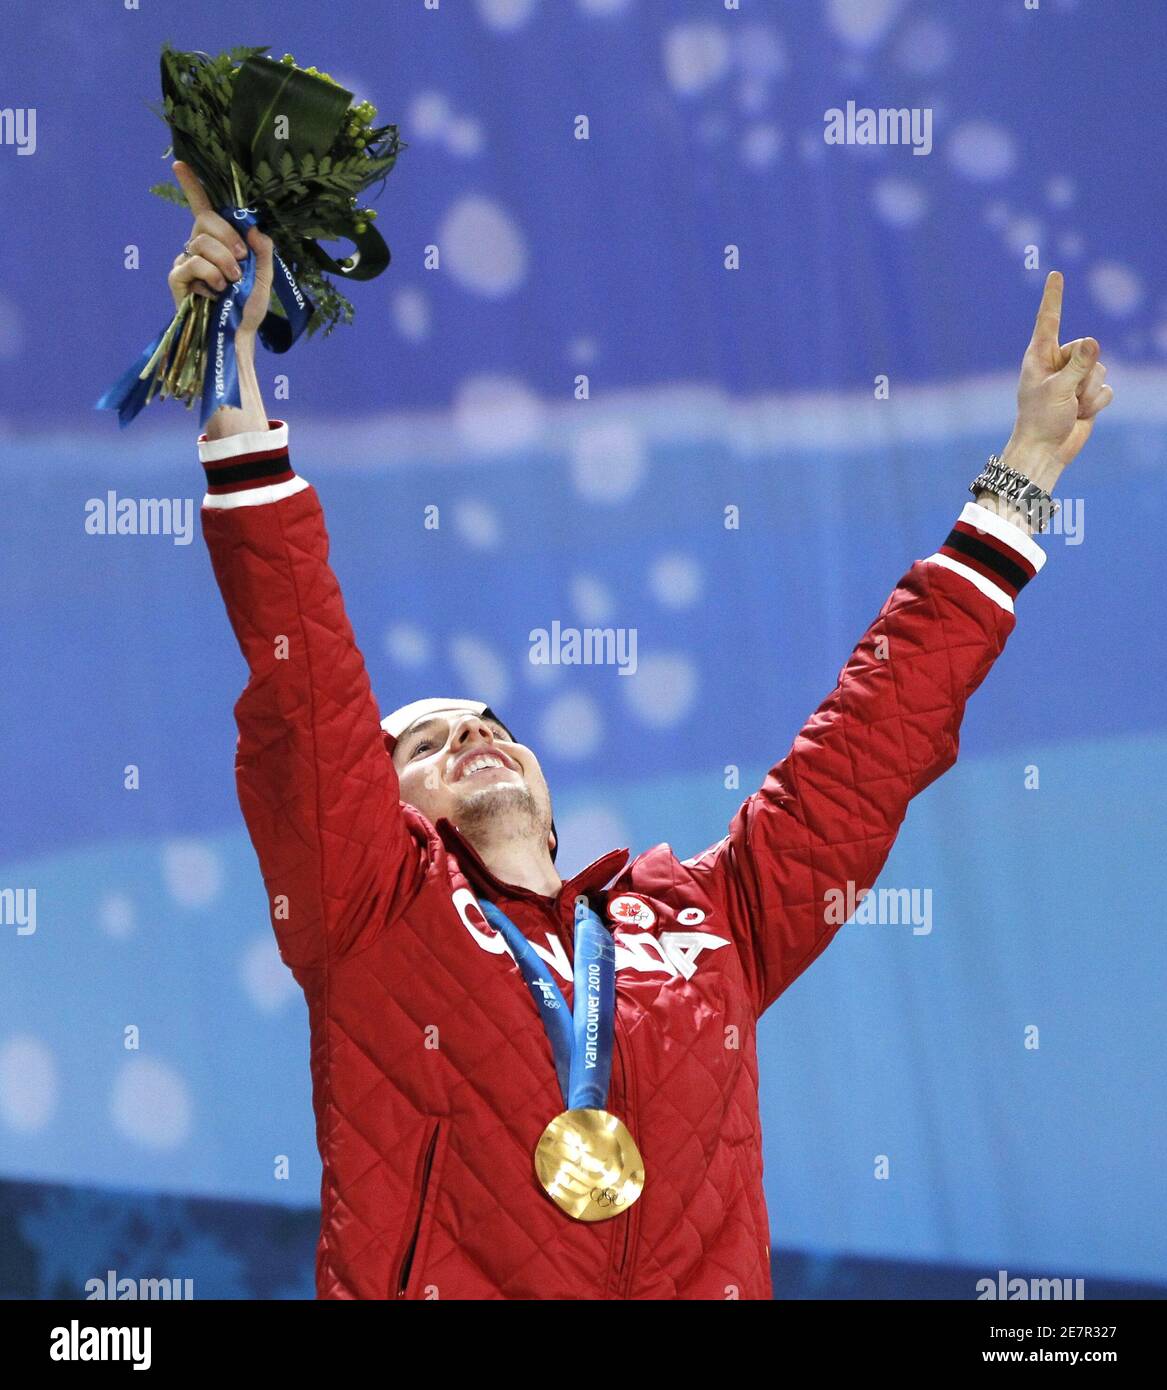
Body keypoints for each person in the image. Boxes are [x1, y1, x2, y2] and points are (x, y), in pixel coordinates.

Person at [169, 160, 1113, 1300]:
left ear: (554, 801)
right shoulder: (369, 908)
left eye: (491, 724)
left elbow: (868, 750)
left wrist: (1021, 477)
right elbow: (304, 680)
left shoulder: (711, 923)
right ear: (380, 810)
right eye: (421, 744)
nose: (473, 735)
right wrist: (233, 387)